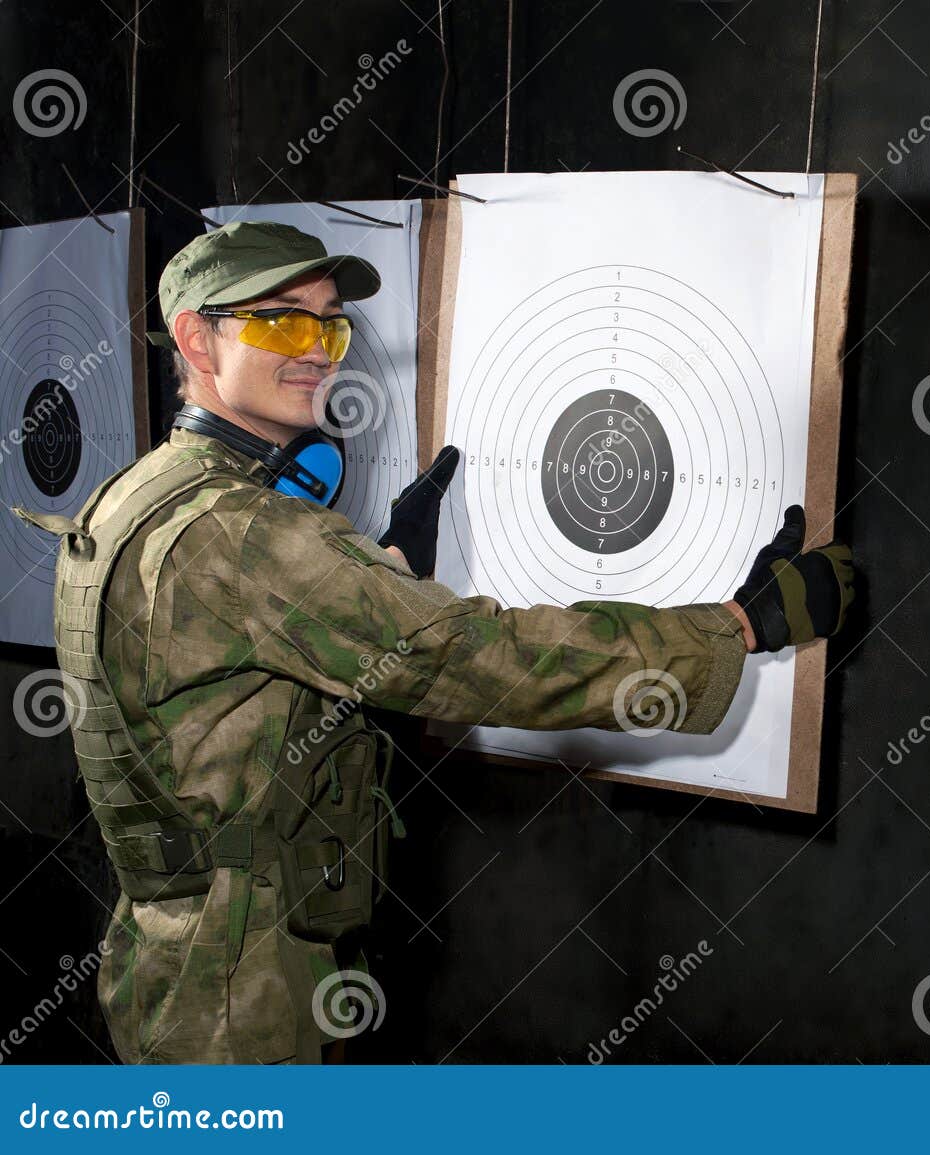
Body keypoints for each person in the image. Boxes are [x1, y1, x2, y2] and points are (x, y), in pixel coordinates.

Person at [13, 221, 856, 1064]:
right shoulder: (245, 534)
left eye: (331, 324)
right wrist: (736, 627)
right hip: (246, 991)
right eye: (283, 322)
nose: (320, 352)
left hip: (169, 958)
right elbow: (480, 657)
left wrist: (374, 571)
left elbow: (212, 680)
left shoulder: (134, 496)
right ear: (196, 338)